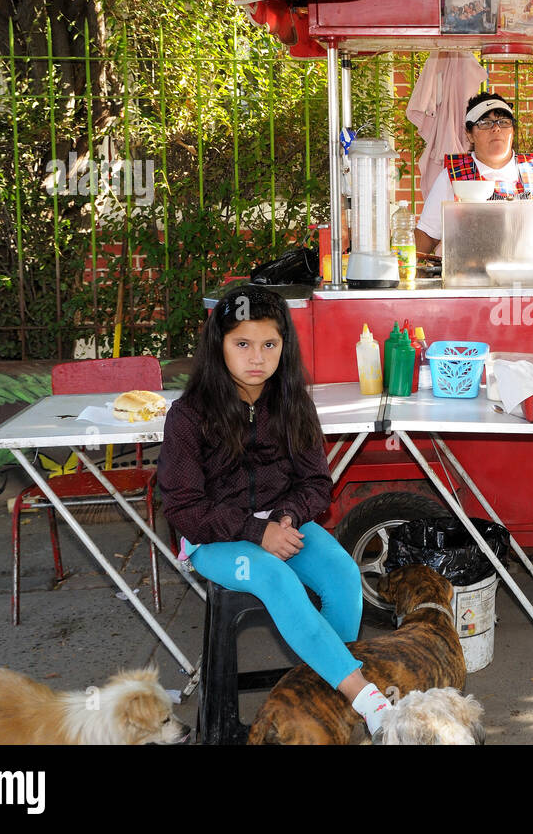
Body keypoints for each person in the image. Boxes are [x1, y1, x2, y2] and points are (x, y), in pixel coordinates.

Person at [158, 285, 393, 734]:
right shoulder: (188, 416)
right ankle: (367, 699)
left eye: (269, 344)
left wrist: (287, 515)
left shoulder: (292, 403)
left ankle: (326, 694)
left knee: (343, 575)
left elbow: (316, 484)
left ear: (285, 346)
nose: (256, 357)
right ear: (218, 344)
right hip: (215, 538)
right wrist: (255, 531)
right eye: (241, 343)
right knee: (274, 577)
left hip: (281, 523)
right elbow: (184, 508)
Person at [415, 91, 533, 255]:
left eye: (503, 122)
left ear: (512, 131)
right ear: (469, 134)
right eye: (485, 123)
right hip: (469, 277)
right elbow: (427, 234)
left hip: (531, 276)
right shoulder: (453, 176)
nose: (496, 128)